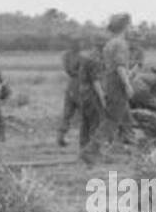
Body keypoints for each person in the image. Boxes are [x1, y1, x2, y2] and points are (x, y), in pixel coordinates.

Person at [82, 13, 134, 164]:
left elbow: (112, 66)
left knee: (123, 118)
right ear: (125, 27)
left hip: (109, 82)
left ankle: (127, 148)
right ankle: (91, 150)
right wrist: (127, 84)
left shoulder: (109, 44)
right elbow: (119, 66)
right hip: (117, 84)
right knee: (112, 120)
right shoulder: (120, 44)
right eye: (130, 25)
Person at [75, 35, 106, 151]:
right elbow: (96, 81)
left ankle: (83, 148)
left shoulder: (86, 57)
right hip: (92, 94)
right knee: (95, 122)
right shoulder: (96, 60)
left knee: (85, 122)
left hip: (83, 93)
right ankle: (93, 151)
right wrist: (103, 98)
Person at [57, 39, 83, 147]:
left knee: (67, 114)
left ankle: (61, 136)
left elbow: (69, 71)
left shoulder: (66, 56)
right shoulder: (81, 58)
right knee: (86, 114)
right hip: (80, 87)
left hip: (70, 86)